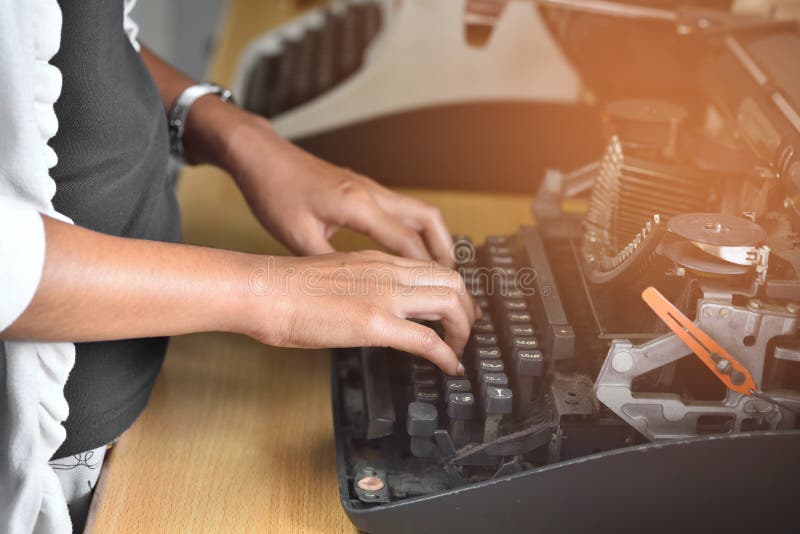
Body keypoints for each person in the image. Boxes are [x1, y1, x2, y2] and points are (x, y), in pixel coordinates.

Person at [0, 1, 475, 531]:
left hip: (151, 378)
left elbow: (77, 36)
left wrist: (234, 132)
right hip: (68, 459)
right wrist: (272, 292)